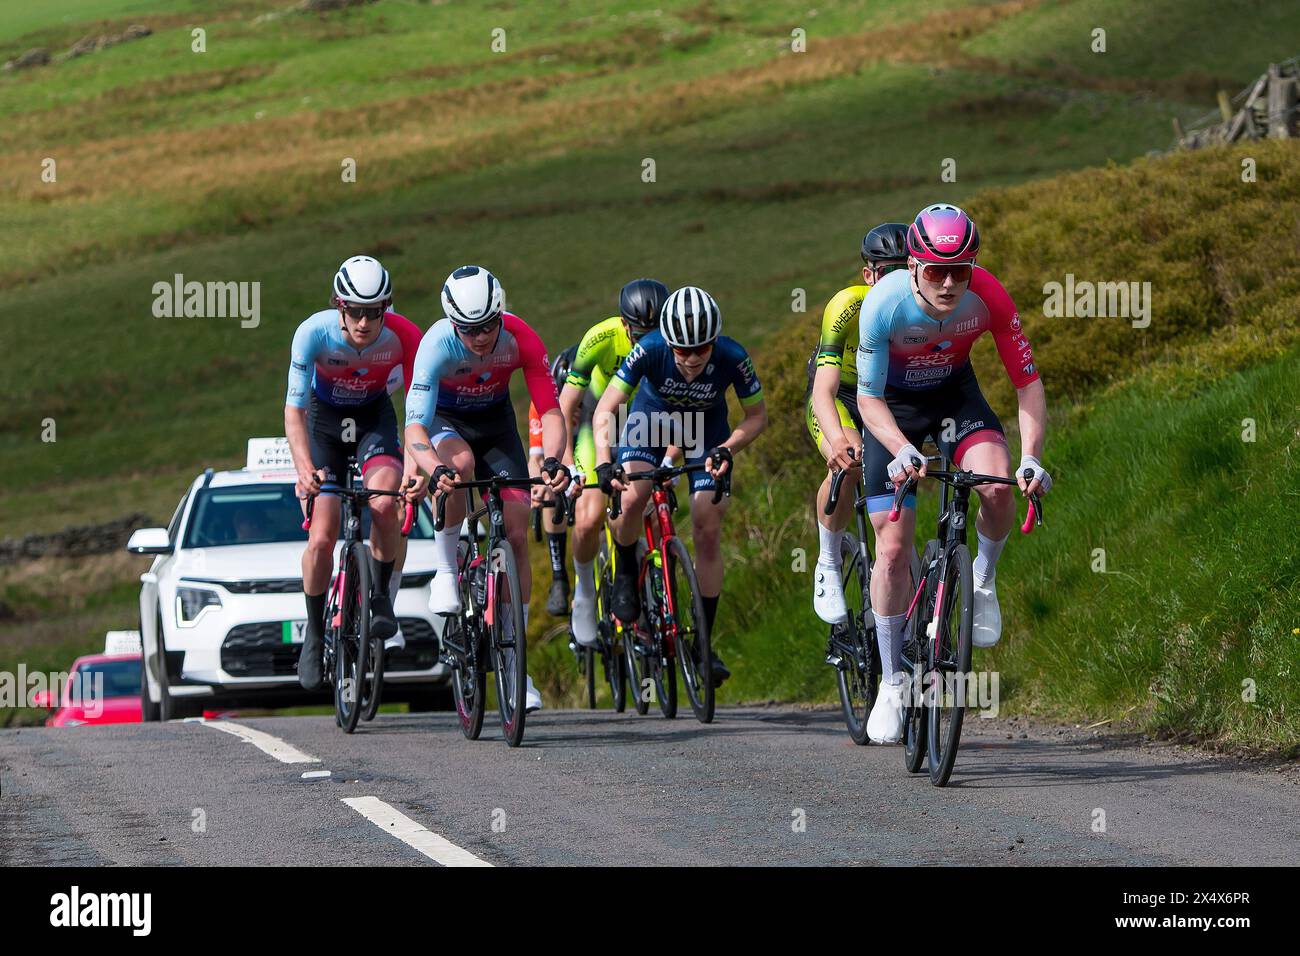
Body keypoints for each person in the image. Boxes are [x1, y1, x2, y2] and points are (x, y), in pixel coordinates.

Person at [854, 203, 1052, 743]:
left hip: (955, 398)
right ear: (913, 266)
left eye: (959, 270)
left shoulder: (988, 295)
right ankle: (893, 681)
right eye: (936, 271)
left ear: (973, 266)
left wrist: (1032, 456)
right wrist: (898, 448)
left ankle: (981, 581)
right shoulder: (882, 305)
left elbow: (1027, 384)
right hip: (893, 409)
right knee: (893, 549)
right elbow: (868, 398)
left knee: (998, 484)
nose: (947, 283)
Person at [404, 265, 571, 713]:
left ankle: (518, 663)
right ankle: (445, 568)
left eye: (488, 327)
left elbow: (549, 411)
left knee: (517, 531)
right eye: (469, 330)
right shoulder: (435, 346)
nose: (480, 338)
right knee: (456, 467)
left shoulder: (522, 338)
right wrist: (432, 467)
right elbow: (415, 424)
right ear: (454, 323)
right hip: (446, 424)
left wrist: (554, 460)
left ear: (501, 314)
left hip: (496, 427)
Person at [594, 286, 767, 687]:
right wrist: (604, 462)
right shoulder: (650, 348)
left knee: (707, 524)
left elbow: (757, 417)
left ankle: (703, 642)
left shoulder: (733, 356)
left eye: (700, 350)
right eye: (682, 351)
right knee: (633, 496)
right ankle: (625, 568)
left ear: (714, 341)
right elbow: (606, 408)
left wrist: (727, 448)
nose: (690, 360)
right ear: (667, 342)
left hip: (708, 434)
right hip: (648, 426)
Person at [285, 255, 427, 691]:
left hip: (373, 419)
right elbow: (295, 411)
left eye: (375, 312)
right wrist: (305, 469)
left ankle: (380, 596)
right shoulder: (313, 333)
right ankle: (313, 631)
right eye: (355, 311)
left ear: (387, 309)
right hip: (324, 423)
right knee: (322, 535)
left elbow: (421, 408)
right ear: (339, 306)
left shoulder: (405, 337)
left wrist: (416, 467)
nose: (365, 322)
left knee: (385, 501)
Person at [805, 223, 909, 624]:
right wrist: (836, 440)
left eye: (905, 270)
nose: (896, 281)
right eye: (887, 272)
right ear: (869, 275)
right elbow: (822, 390)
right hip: (840, 396)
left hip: (884, 397)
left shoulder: (920, 308)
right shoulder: (847, 305)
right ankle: (827, 564)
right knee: (849, 460)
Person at [561, 279, 669, 647]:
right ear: (625, 325)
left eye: (654, 333)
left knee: (655, 504)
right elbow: (566, 405)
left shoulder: (674, 340)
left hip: (646, 421)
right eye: (639, 334)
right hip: (600, 419)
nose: (647, 340)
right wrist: (566, 463)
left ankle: (653, 585)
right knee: (590, 516)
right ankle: (586, 596)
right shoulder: (600, 338)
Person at [529, 346, 580, 616]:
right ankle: (559, 577)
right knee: (548, 485)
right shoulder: (542, 405)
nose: (574, 409)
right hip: (558, 458)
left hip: (589, 448)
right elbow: (535, 457)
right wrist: (536, 483)